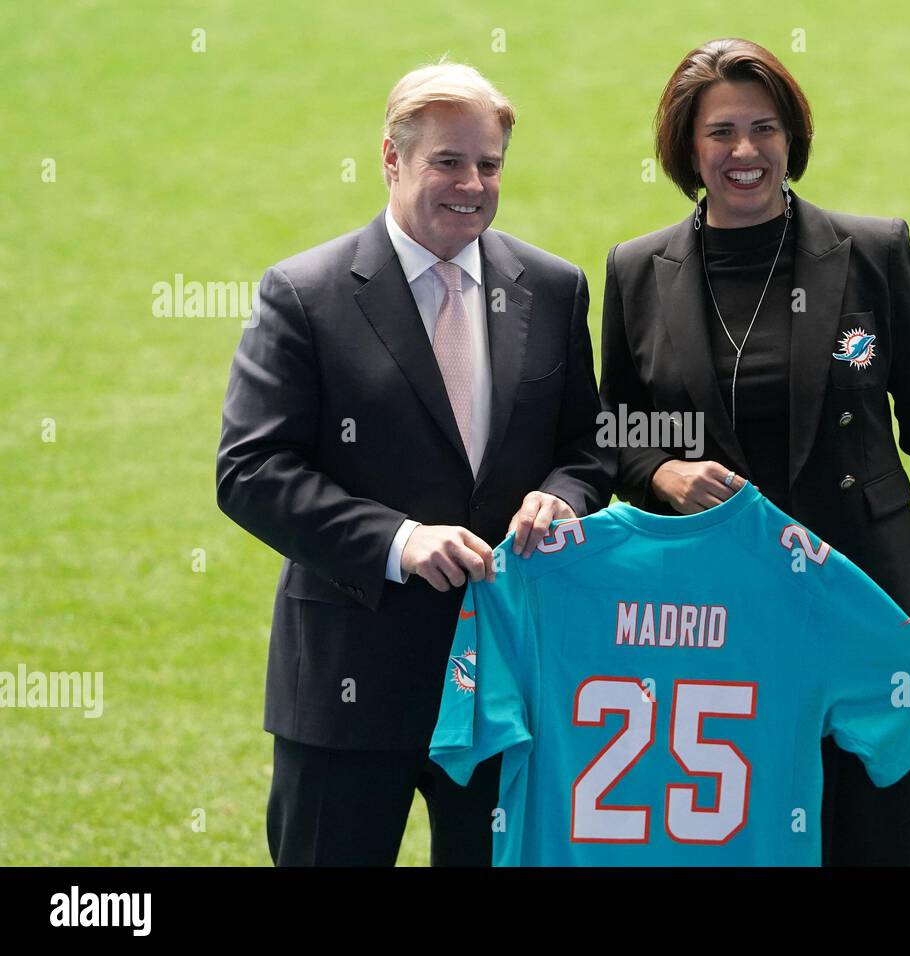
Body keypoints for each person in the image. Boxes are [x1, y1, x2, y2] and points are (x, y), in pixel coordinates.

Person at [598, 38, 910, 865]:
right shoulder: (636, 270)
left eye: (765, 129)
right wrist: (661, 468)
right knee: (742, 838)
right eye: (721, 133)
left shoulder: (872, 251)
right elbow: (612, 430)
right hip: (714, 613)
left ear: (793, 138)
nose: (746, 153)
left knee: (881, 838)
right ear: (686, 148)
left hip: (873, 601)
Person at [216, 60, 611, 866]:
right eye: (448, 161)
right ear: (392, 160)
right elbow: (252, 470)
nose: (472, 183)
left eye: (489, 165)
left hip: (508, 682)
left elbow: (587, 449)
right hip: (348, 687)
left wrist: (562, 498)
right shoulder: (304, 293)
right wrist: (398, 543)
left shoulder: (553, 287)